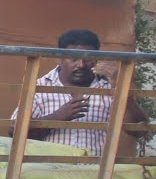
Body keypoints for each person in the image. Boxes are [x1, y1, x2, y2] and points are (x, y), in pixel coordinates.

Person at [9, 29, 146, 156]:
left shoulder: (108, 86)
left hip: (94, 175)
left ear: (97, 59)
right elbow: (13, 132)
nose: (81, 64)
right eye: (74, 58)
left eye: (88, 58)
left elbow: (139, 130)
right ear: (59, 58)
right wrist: (57, 117)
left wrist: (121, 90)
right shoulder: (40, 87)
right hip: (49, 174)